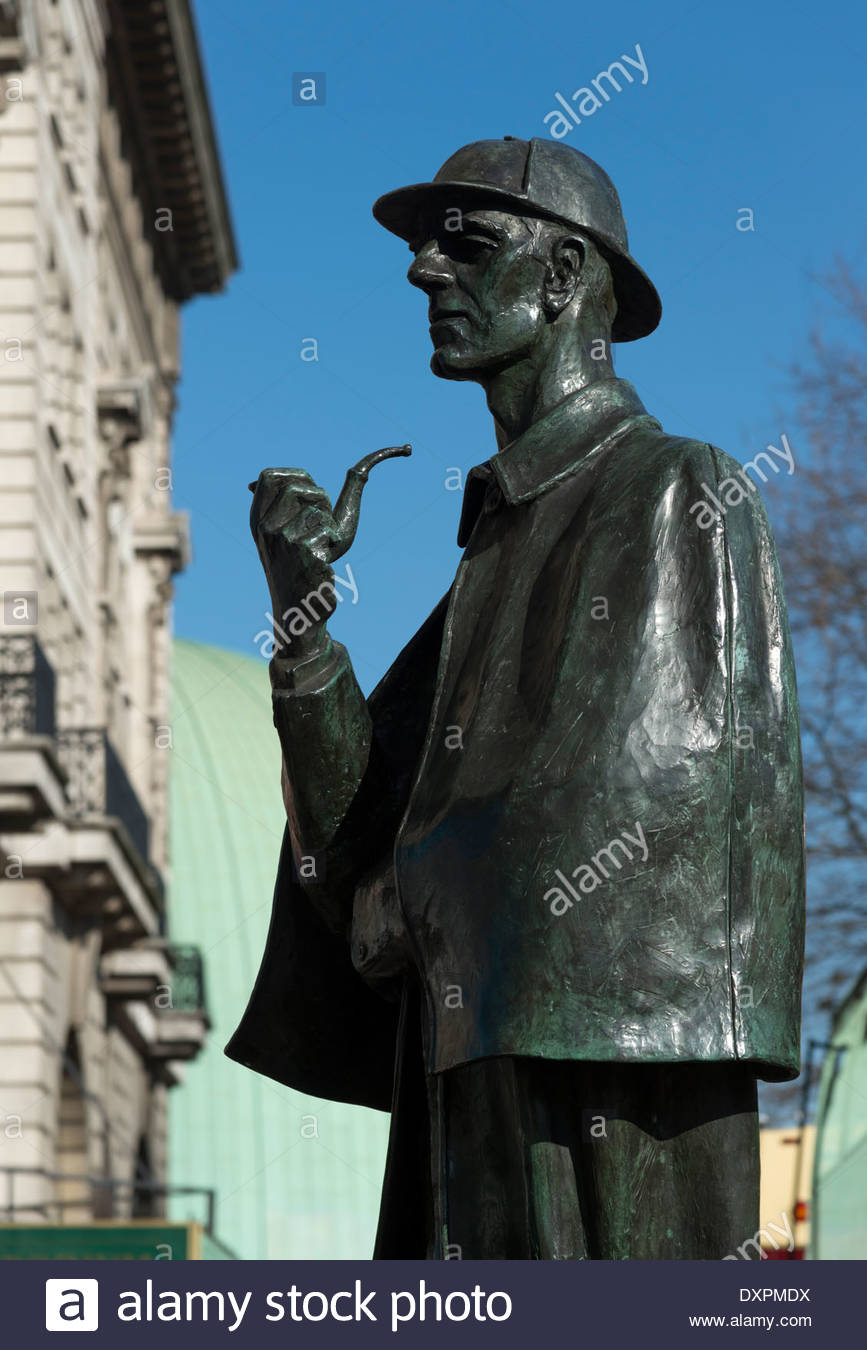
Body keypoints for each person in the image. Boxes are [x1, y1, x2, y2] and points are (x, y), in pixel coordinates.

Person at [227, 138, 805, 1259]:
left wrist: (407, 899)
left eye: (468, 245)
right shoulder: (492, 548)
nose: (424, 272)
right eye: (425, 248)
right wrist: (304, 617)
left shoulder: (675, 488)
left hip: (598, 1067)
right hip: (468, 1045)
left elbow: (651, 790)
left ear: (563, 279)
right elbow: (349, 843)